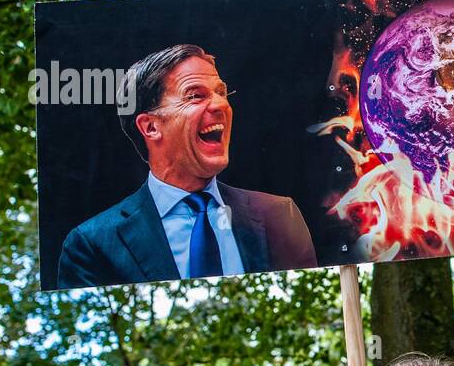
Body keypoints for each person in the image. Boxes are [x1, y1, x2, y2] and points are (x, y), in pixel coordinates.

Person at [56, 44, 318, 290]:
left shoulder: (279, 215)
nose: (220, 105)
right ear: (151, 127)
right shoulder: (92, 244)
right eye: (195, 96)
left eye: (221, 92)